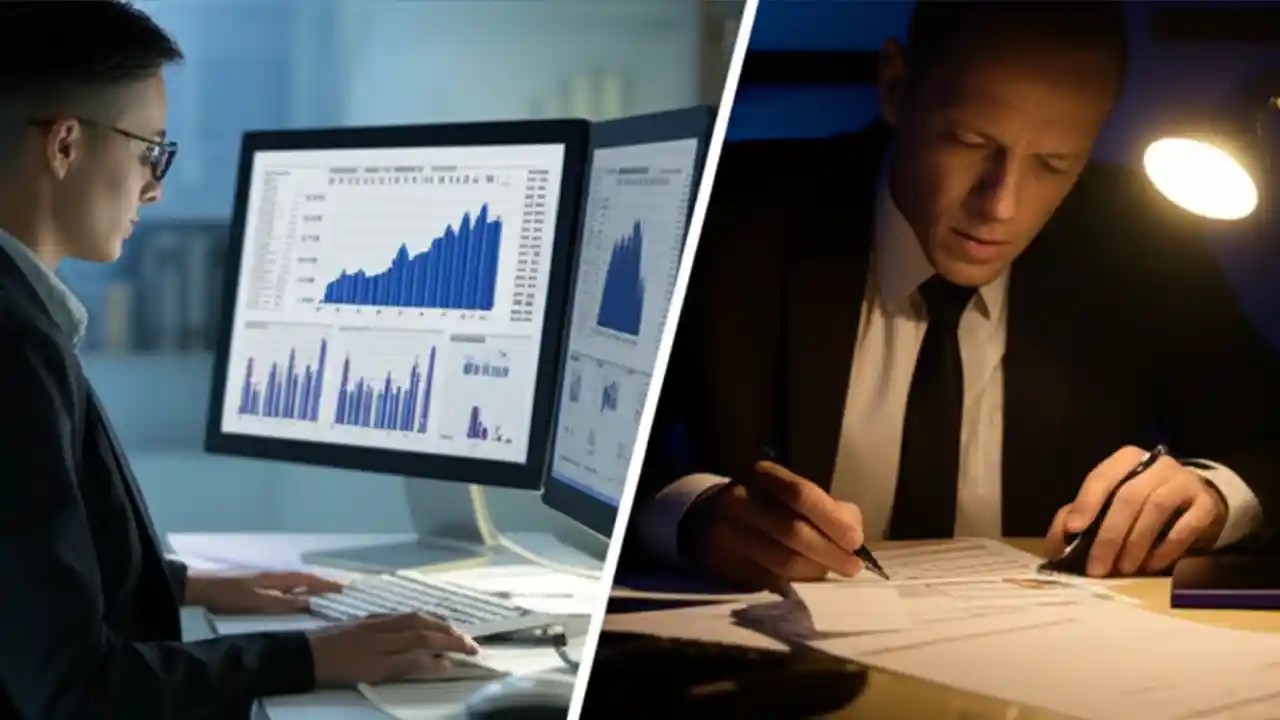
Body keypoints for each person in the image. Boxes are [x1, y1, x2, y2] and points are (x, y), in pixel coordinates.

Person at [631, 1, 1280, 593]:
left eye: (1052, 164)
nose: (1001, 205)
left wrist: (1216, 495)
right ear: (895, 87)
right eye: (970, 143)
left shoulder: (1137, 245)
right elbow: (594, 452)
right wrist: (691, 515)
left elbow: (1268, 444)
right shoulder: (732, 215)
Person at [0, 3, 478, 718]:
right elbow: (72, 690)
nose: (154, 186)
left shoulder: (21, 315)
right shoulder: (13, 348)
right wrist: (309, 657)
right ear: (65, 145)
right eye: (150, 150)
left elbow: (21, 575)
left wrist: (180, 583)